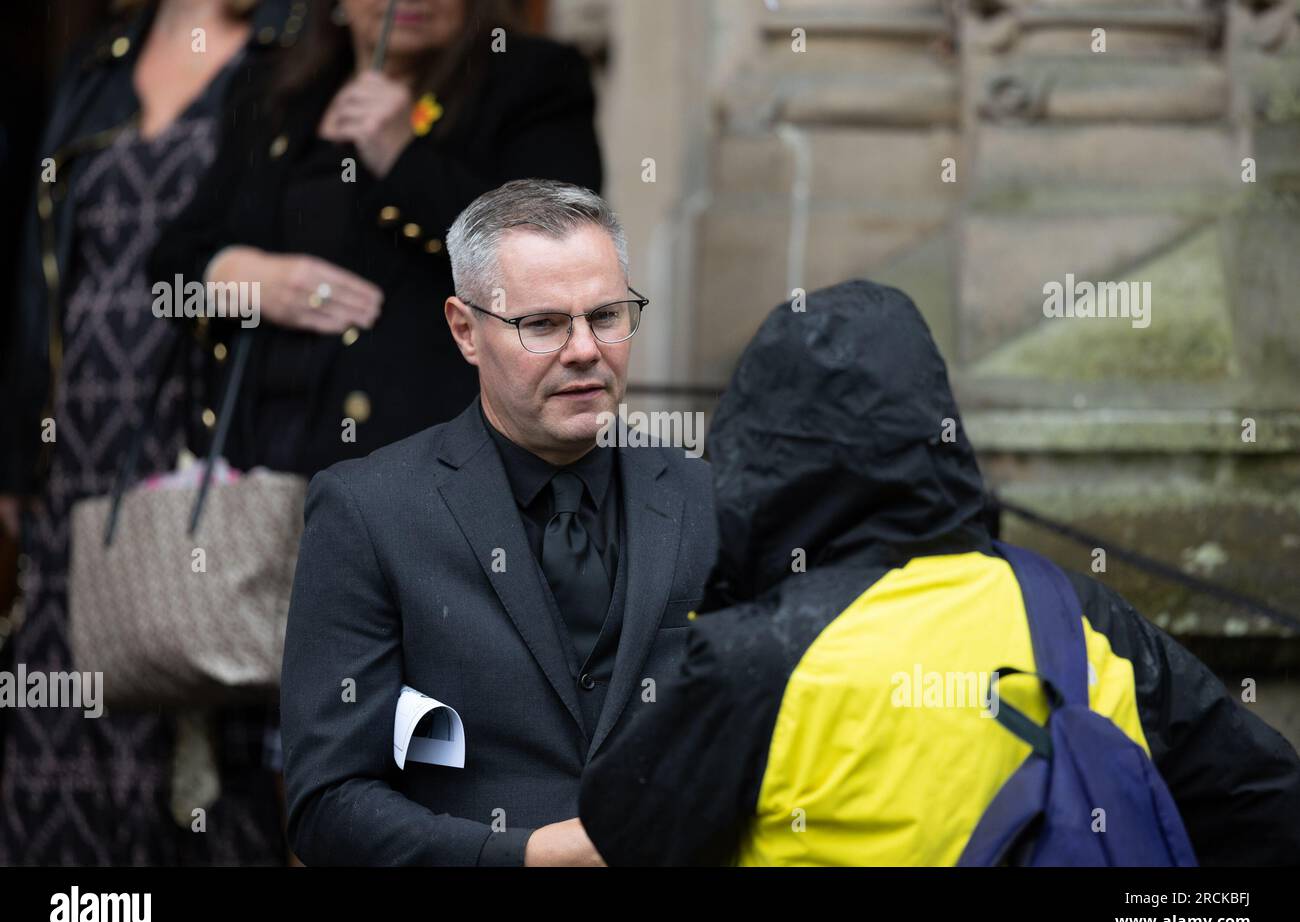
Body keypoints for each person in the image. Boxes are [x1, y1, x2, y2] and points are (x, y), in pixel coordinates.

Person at [578, 278, 1300, 866]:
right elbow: (1263, 801)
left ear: (758, 456)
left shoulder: (756, 657)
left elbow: (625, 826)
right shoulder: (1076, 612)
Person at [279, 179, 717, 866]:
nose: (583, 349)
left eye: (606, 316)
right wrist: (521, 857)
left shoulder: (706, 497)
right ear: (465, 330)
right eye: (542, 325)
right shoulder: (370, 511)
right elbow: (327, 804)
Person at [0, 0, 294, 865]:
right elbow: (38, 270)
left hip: (208, 429)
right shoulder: (99, 66)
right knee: (65, 702)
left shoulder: (295, 52)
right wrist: (19, 459)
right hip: (80, 435)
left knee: (198, 692)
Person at [147, 0, 602, 478]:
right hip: (260, 466)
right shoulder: (275, 88)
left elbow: (553, 248)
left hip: (429, 464)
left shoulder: (532, 80)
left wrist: (403, 156)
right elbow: (171, 266)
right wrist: (246, 279)